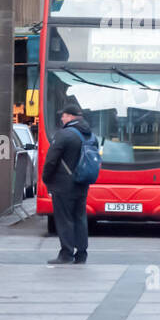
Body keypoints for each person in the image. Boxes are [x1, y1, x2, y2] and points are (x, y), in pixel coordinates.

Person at [41, 104, 94, 265]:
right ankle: (82, 253)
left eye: (63, 116)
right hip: (82, 182)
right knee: (80, 217)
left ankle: (66, 253)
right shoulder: (90, 135)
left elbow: (51, 160)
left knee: (64, 219)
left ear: (71, 117)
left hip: (63, 183)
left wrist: (46, 178)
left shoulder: (64, 135)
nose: (62, 118)